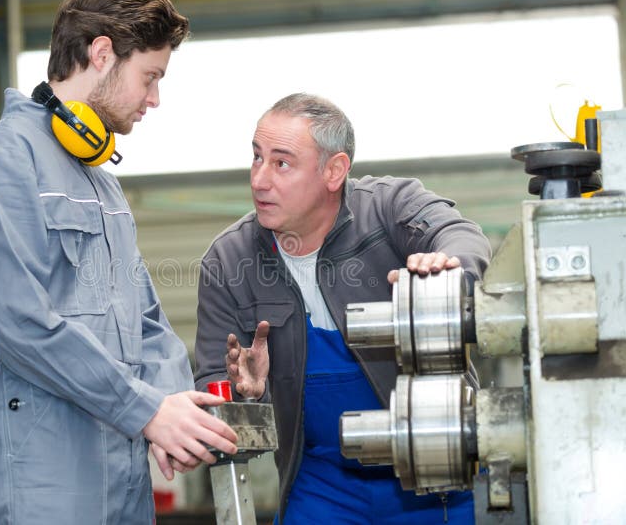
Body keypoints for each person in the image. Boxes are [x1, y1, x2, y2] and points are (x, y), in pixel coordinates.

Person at [0, 0, 238, 524]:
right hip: (47, 478)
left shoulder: (101, 184)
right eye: (150, 76)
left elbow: (145, 320)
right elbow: (18, 321)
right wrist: (148, 411)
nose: (154, 99)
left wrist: (178, 411)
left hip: (124, 473)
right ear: (102, 54)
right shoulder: (0, 158)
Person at [194, 93, 491, 524]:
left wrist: (448, 268)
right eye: (256, 158)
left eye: (281, 163)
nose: (259, 179)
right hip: (322, 487)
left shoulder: (389, 208)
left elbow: (459, 234)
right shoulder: (229, 260)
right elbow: (214, 401)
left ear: (334, 171)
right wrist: (247, 394)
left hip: (439, 474)